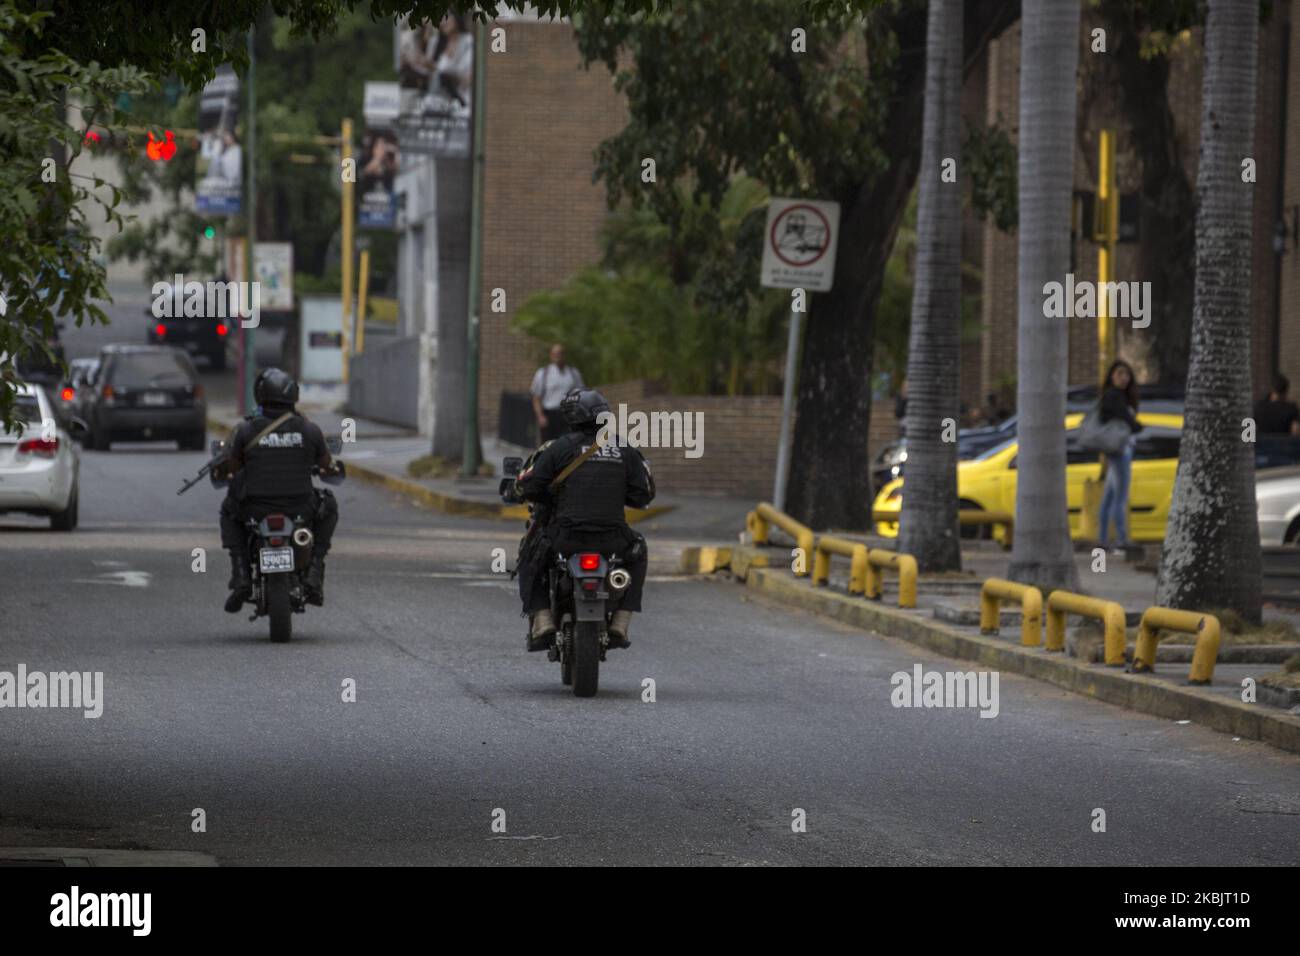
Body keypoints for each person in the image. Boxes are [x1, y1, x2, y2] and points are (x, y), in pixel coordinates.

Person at [513, 388, 654, 650]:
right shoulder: (624, 449)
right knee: (639, 550)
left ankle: (543, 620)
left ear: (571, 417)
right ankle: (621, 622)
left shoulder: (558, 448)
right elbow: (643, 494)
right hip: (612, 539)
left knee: (529, 550)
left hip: (565, 537)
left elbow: (531, 487)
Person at [218, 368, 339, 613]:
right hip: (299, 508)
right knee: (330, 505)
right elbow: (327, 465)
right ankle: (314, 570)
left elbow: (232, 466)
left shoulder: (245, 430)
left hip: (256, 508)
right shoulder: (309, 430)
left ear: (259, 395)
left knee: (228, 509)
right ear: (293, 395)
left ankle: (241, 573)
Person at [1096, 360, 1143, 552]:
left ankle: (1103, 538)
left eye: (1126, 374)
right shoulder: (1113, 397)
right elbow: (1129, 422)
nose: (1123, 378)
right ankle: (1122, 538)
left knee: (1109, 497)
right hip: (1120, 451)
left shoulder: (1117, 396)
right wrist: (1137, 425)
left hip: (1117, 450)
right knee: (1120, 497)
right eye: (1119, 374)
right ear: (1111, 376)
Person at [530, 344, 584, 442]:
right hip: (549, 416)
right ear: (550, 356)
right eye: (555, 354)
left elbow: (581, 395)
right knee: (547, 447)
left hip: (568, 415)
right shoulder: (543, 373)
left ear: (565, 355)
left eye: (560, 353)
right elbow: (536, 398)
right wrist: (540, 416)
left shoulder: (573, 373)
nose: (558, 356)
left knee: (568, 445)